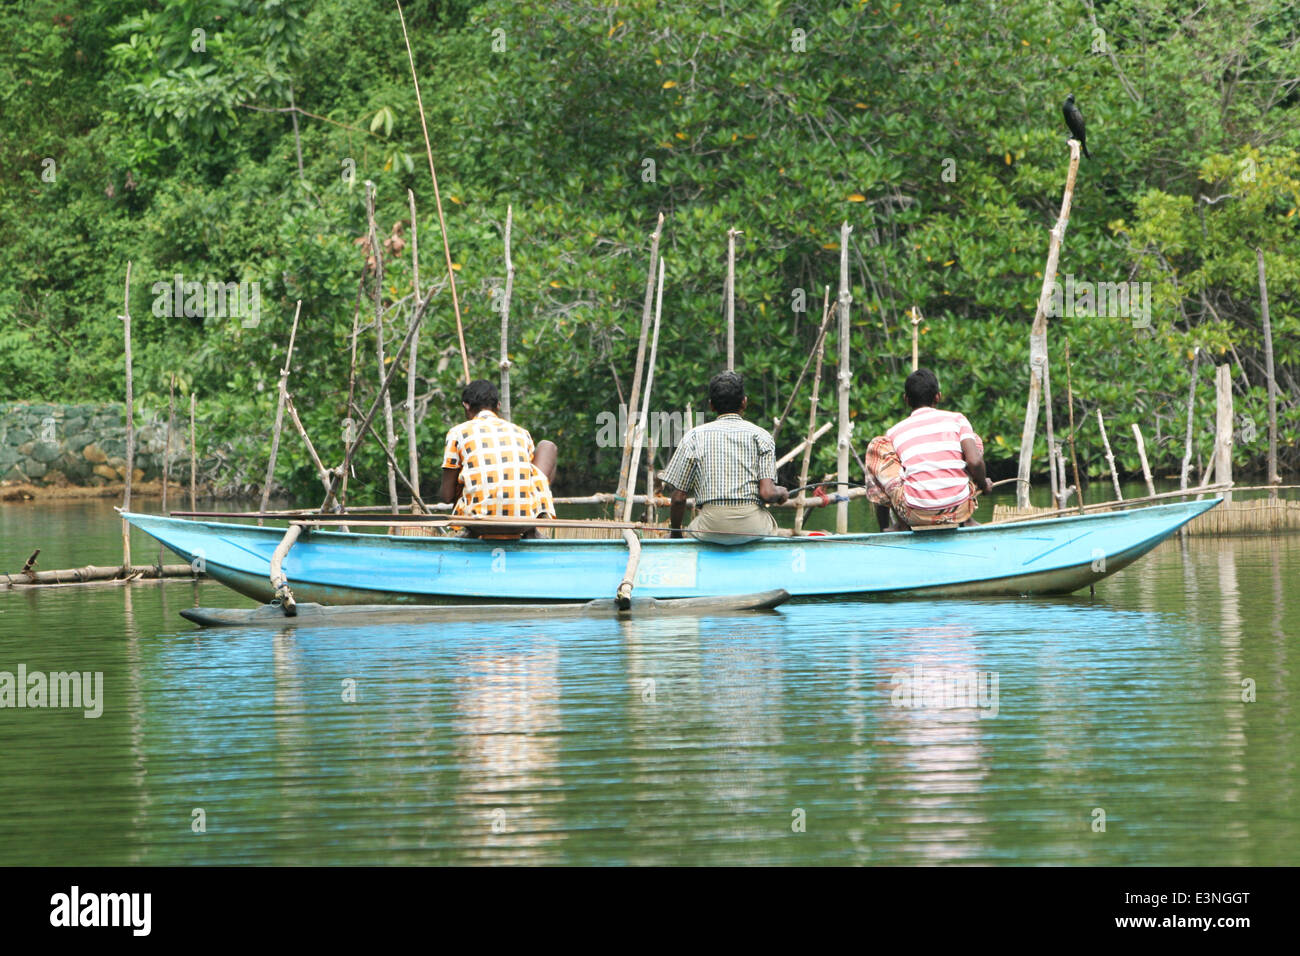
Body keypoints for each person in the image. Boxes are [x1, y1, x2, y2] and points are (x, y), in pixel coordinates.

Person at [658, 371, 789, 544]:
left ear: (711, 405)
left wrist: (675, 534)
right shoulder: (762, 436)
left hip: (710, 526)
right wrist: (781, 492)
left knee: (694, 528)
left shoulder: (694, 436)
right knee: (769, 524)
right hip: (752, 527)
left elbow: (678, 498)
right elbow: (767, 493)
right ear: (744, 402)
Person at [865, 368, 993, 531]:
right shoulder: (957, 420)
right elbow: (974, 462)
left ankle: (890, 528)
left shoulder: (893, 433)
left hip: (914, 514)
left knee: (878, 447)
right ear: (938, 397)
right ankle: (966, 518)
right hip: (959, 511)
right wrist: (984, 484)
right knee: (973, 442)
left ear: (906, 400)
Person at [440, 380, 557, 537]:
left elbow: (446, 496)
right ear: (499, 406)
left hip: (479, 524)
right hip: (522, 523)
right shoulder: (521, 432)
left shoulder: (457, 432)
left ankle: (470, 532)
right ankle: (532, 530)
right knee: (547, 447)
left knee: (464, 476)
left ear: (466, 406)